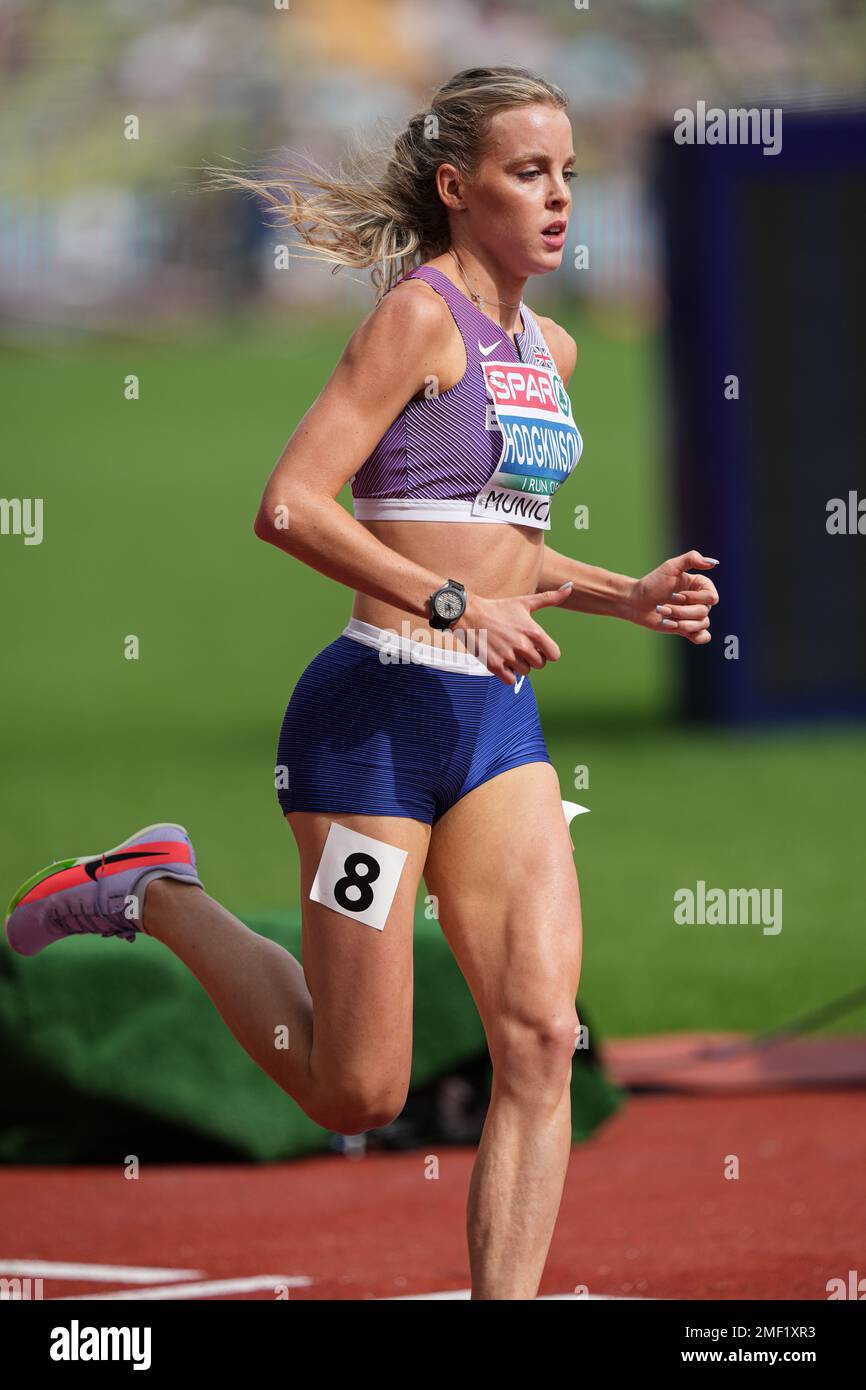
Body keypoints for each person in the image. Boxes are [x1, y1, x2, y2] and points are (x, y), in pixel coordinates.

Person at [4, 66, 718, 1299]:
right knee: (358, 1087)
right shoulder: (416, 318)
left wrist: (625, 594)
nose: (558, 199)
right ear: (457, 187)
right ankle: (156, 889)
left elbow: (501, 547)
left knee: (542, 1036)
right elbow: (289, 504)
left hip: (492, 725)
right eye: (527, 173)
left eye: (568, 175)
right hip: (373, 723)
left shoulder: (547, 345)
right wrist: (452, 604)